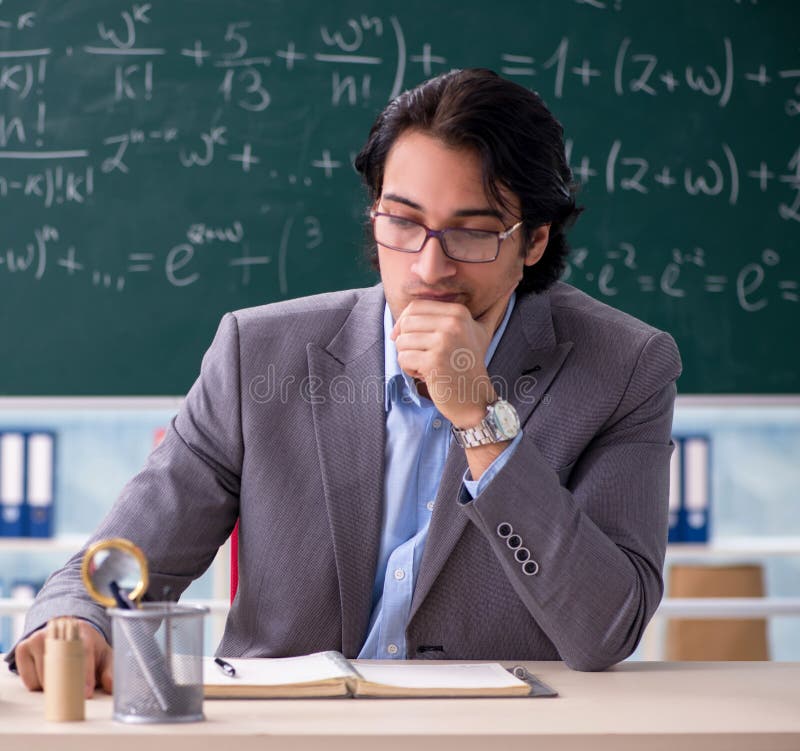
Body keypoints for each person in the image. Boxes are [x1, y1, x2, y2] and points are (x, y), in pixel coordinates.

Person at [9, 68, 681, 695]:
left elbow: (605, 630)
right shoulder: (256, 353)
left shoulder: (625, 367)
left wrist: (481, 421)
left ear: (533, 241)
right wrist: (75, 619)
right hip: (285, 731)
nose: (429, 268)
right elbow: (120, 562)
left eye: (473, 233)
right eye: (404, 222)